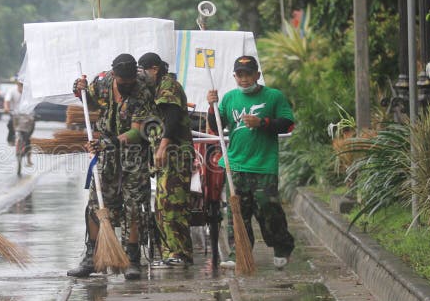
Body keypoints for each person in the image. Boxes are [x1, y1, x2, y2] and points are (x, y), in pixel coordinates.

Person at [68, 53, 155, 280]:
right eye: (122, 81)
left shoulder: (142, 91)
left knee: (133, 206)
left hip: (132, 153)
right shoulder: (103, 83)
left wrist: (111, 142)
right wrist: (80, 90)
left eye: (130, 81)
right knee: (96, 205)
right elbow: (89, 102)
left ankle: (132, 259)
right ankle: (91, 258)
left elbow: (137, 131)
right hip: (106, 154)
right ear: (114, 75)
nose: (127, 85)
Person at [206, 55, 295, 269]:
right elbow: (216, 128)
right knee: (238, 211)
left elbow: (287, 124)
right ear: (235, 76)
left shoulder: (273, 97)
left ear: (257, 75)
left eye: (248, 74)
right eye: (239, 75)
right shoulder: (228, 98)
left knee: (267, 208)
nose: (244, 79)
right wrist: (212, 107)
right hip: (236, 164)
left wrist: (262, 122)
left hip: (263, 164)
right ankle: (239, 252)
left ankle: (282, 245)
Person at [138, 52, 195, 267]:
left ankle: (180, 253)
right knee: (161, 205)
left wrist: (162, 146)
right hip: (165, 157)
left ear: (154, 68)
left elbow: (172, 116)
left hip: (176, 154)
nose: (142, 75)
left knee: (172, 204)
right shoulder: (153, 88)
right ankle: (170, 252)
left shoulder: (168, 85)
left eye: (144, 70)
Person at [4, 78, 34, 166]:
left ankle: (28, 159)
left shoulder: (29, 93)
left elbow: (34, 103)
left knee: (28, 137)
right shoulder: (12, 91)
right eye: (20, 85)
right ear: (17, 84)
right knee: (10, 124)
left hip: (27, 116)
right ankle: (11, 139)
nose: (22, 87)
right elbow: (7, 101)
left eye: (23, 85)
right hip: (15, 115)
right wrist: (6, 108)